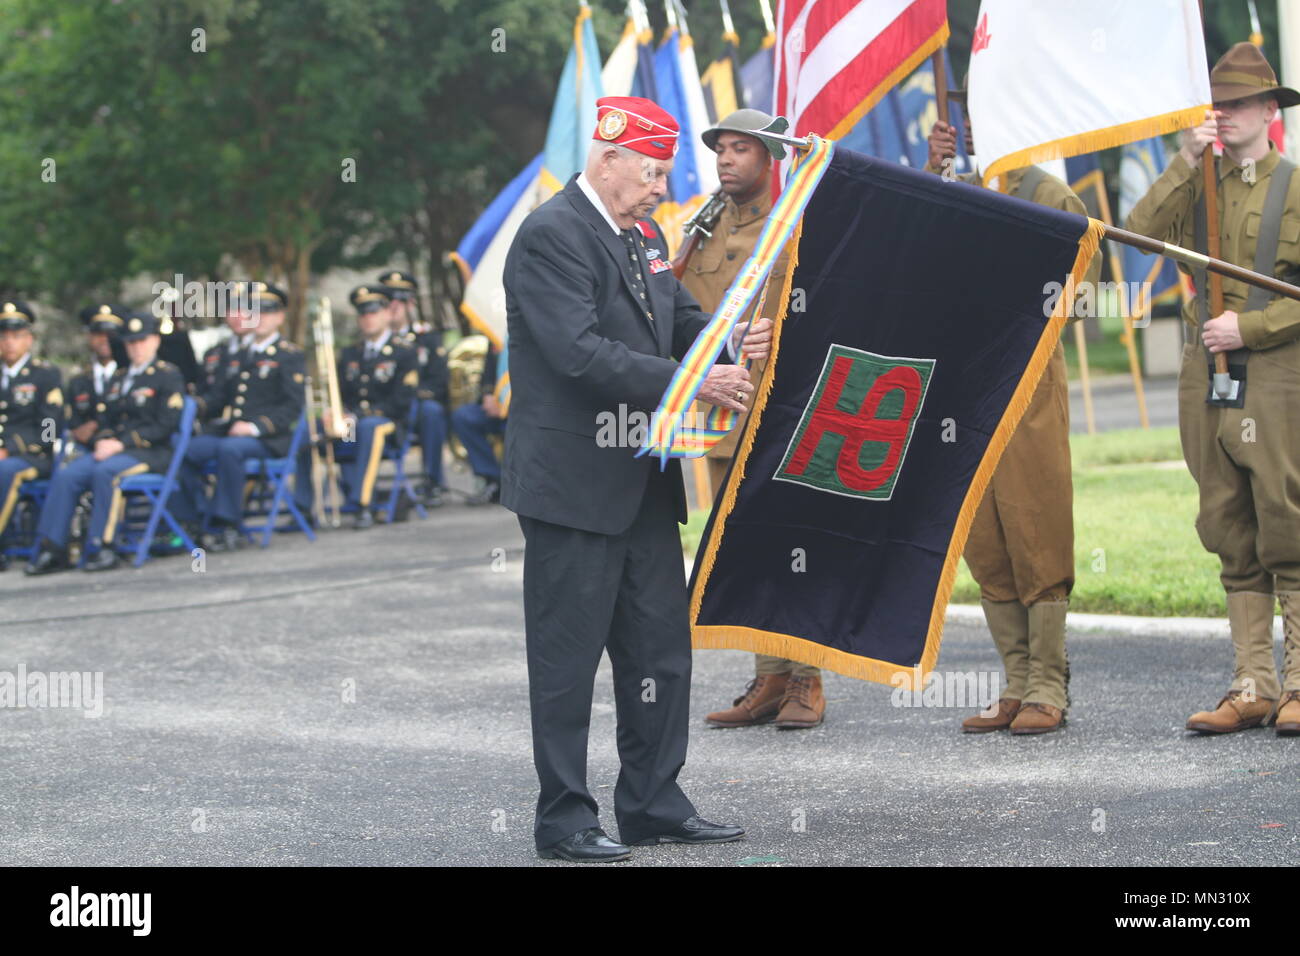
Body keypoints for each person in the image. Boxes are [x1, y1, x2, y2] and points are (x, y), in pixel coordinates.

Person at [504, 95, 773, 862]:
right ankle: (563, 819)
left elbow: (681, 322)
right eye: (651, 171)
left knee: (659, 656)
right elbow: (581, 355)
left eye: (664, 172)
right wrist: (696, 382)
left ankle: (654, 803)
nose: (661, 186)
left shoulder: (644, 235)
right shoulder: (552, 235)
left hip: (644, 484)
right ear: (609, 158)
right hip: (571, 488)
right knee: (566, 664)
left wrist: (726, 346)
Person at [1126, 43, 1300, 737]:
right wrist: (1182, 156)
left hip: (1277, 365)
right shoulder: (1196, 176)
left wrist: (1251, 327)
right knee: (1226, 519)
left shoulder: (1292, 184)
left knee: (1285, 516)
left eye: (1236, 105)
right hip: (1206, 367)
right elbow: (1137, 235)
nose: (1224, 116)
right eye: (1216, 104)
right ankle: (1253, 682)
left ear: (1267, 110)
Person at [925, 74, 1100, 735]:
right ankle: (1016, 682)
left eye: (982, 114)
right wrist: (932, 171)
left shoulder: (1045, 193)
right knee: (985, 539)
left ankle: (1049, 686)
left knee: (1036, 530)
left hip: (1027, 388)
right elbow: (911, 252)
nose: (970, 126)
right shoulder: (950, 189)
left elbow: (1088, 291)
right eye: (963, 115)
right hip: (965, 389)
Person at [684, 109, 826, 731]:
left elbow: (823, 310)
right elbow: (682, 316)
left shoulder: (797, 224)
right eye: (721, 148)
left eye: (743, 149)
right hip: (723, 415)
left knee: (792, 545)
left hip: (782, 411)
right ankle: (769, 676)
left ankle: (807, 681)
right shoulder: (701, 227)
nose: (727, 159)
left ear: (771, 159)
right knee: (741, 549)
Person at [26, 312, 185, 574]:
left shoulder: (167, 376)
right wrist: (102, 440)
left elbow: (165, 425)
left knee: (106, 473)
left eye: (142, 341)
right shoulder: (119, 378)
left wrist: (120, 444)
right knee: (68, 474)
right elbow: (105, 420)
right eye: (131, 342)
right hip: (113, 450)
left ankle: (103, 544)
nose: (136, 347)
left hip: (150, 452)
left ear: (155, 341)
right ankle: (53, 547)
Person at [178, 282, 305, 551]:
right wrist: (189, 405)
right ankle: (199, 516)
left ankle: (228, 522)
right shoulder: (239, 354)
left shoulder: (288, 355)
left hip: (269, 437)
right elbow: (219, 398)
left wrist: (255, 427)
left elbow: (293, 407)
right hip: (234, 433)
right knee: (187, 451)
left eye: (265, 311)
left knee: (229, 450)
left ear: (279, 317)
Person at [294, 284, 418, 529]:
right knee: (310, 429)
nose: (368, 318)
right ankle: (303, 506)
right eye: (363, 313)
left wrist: (356, 416)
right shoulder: (351, 354)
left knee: (369, 427)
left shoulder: (404, 352)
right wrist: (335, 413)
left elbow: (401, 402)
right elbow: (341, 394)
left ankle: (363, 504)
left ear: (386, 313)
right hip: (351, 428)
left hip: (388, 427)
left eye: (373, 312)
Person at [0, 301, 63, 570]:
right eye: (3, 336)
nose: (9, 343)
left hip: (33, 457)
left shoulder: (45, 375)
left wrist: (11, 449)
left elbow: (50, 428)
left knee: (5, 471)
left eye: (16, 336)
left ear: (29, 339)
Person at [379, 270, 450, 507]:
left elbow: (439, 379)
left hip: (415, 406)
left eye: (401, 299)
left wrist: (412, 395)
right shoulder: (370, 342)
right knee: (347, 429)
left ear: (411, 302)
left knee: (431, 411)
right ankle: (354, 490)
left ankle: (433, 480)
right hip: (380, 410)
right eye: (388, 300)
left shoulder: (426, 337)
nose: (394, 306)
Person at [449, 342, 505, 505]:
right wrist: (488, 395)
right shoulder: (496, 333)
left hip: (522, 406)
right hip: (496, 406)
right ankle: (491, 478)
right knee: (464, 416)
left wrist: (508, 402)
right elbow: (488, 374)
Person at [67, 304, 127, 451]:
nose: (104, 340)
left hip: (120, 446)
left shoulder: (129, 376)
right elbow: (72, 423)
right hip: (85, 448)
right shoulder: (78, 380)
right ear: (89, 336)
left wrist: (96, 425)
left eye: (111, 335)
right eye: (98, 334)